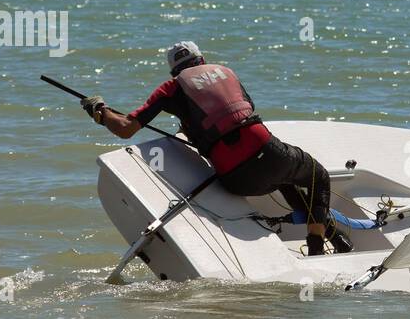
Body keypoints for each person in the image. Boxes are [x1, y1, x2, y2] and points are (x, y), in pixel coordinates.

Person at [81, 41, 349, 256]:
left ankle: (335, 237)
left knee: (287, 182)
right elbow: (244, 110)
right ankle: (317, 248)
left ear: (174, 71)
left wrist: (100, 110)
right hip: (269, 154)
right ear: (202, 60)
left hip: (235, 179)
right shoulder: (226, 72)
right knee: (317, 174)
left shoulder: (170, 88)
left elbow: (125, 128)